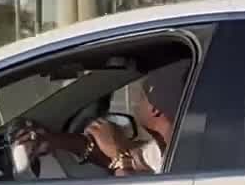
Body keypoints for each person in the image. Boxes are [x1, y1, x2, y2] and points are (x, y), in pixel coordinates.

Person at [16, 75, 176, 178]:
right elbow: (122, 157)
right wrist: (52, 140)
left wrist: (119, 155)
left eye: (142, 97)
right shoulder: (170, 148)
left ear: (154, 109)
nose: (136, 102)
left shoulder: (185, 158)